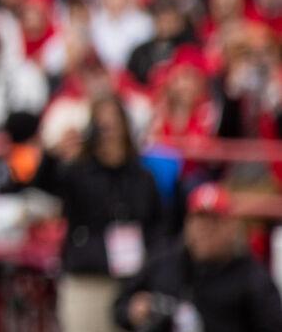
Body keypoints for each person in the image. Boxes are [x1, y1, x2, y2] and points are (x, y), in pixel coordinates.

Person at [32, 94, 165, 332]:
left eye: (114, 123)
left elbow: (156, 227)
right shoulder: (77, 172)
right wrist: (53, 153)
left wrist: (153, 276)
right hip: (88, 278)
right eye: (101, 125)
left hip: (131, 280)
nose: (108, 131)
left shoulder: (142, 177)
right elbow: (43, 185)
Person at [114, 182, 282, 331]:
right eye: (199, 220)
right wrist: (133, 310)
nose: (205, 230)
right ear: (187, 223)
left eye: (214, 222)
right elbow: (120, 306)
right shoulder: (164, 260)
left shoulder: (251, 276)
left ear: (232, 227)